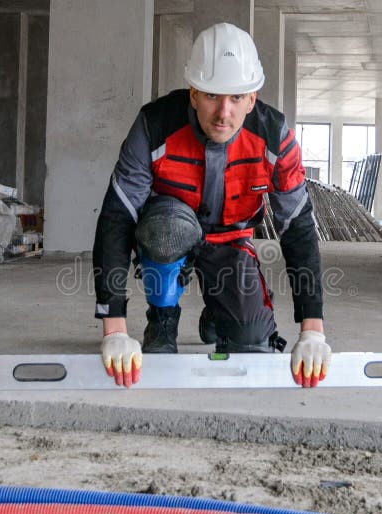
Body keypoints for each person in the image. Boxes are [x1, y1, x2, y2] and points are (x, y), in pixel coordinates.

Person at [92, 22, 331, 388]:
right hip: (169, 231)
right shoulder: (154, 126)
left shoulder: (275, 136)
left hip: (229, 241)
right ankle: (163, 315)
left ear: (252, 98)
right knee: (166, 229)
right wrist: (114, 328)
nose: (224, 113)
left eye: (236, 98)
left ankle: (219, 314)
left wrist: (312, 329)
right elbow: (117, 217)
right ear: (192, 93)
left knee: (252, 347)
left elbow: (297, 227)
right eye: (211, 96)